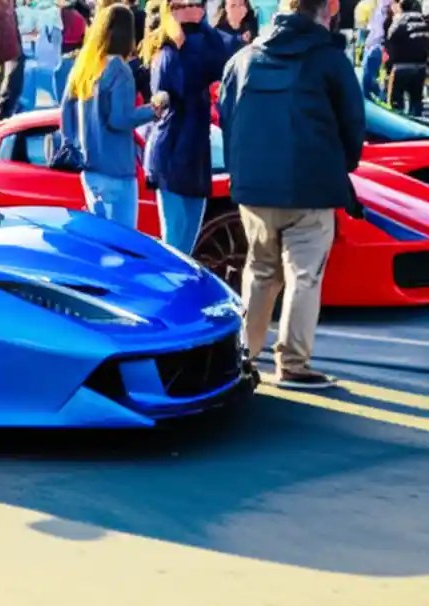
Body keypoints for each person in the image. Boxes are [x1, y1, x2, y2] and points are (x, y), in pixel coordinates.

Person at [219, 0, 363, 389]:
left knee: (261, 272)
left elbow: (227, 119)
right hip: (310, 187)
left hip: (254, 188)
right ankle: (294, 364)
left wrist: (242, 171)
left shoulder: (244, 58)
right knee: (304, 276)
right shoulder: (329, 60)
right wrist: (342, 165)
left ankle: (242, 356)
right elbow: (353, 123)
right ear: (329, 8)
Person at [140, 0, 238, 254]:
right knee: (176, 241)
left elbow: (221, 59)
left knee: (188, 240)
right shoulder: (168, 51)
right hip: (172, 150)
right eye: (187, 4)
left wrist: (202, 27)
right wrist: (188, 36)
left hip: (195, 152)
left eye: (198, 4)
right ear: (172, 10)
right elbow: (182, 84)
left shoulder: (201, 40)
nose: (196, 9)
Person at [60, 4, 157, 227]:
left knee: (100, 239)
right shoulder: (120, 70)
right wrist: (153, 111)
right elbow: (119, 119)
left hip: (89, 167)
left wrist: (71, 142)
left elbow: (66, 110)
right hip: (117, 168)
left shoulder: (83, 65)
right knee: (123, 242)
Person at [383, 0, 429, 115]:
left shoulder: (398, 21)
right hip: (421, 66)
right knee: (416, 99)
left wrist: (388, 66)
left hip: (401, 66)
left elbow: (390, 41)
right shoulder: (423, 21)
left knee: (396, 101)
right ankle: (418, 124)